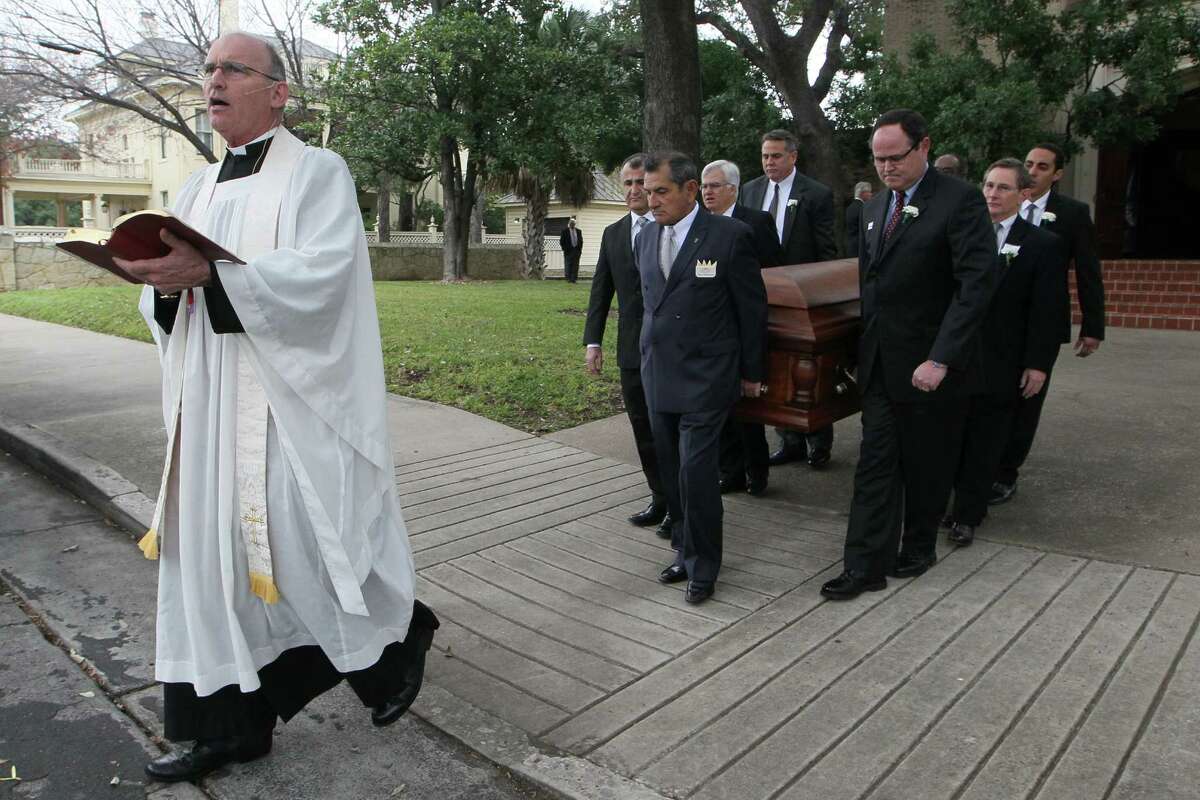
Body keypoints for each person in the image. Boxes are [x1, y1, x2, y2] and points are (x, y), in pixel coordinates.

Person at [115, 33, 438, 783]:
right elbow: (167, 299)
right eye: (209, 69)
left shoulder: (316, 173)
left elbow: (323, 277)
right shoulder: (195, 189)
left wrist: (217, 277)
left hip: (283, 402)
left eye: (233, 69)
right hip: (207, 402)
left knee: (300, 542)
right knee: (210, 564)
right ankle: (228, 730)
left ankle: (395, 648)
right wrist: (163, 284)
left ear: (278, 92)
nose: (213, 80)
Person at [820, 109, 995, 600]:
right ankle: (864, 566)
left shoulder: (959, 202)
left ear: (923, 147)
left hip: (934, 367)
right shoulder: (875, 209)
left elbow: (975, 285)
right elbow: (869, 287)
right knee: (875, 463)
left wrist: (941, 358)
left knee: (927, 464)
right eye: (878, 159)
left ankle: (918, 545)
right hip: (880, 364)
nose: (886, 167)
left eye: (895, 157)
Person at [636, 152, 767, 604]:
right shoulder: (645, 238)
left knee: (696, 474)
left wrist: (753, 373)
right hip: (660, 375)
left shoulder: (730, 237)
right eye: (648, 192)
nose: (651, 201)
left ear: (691, 190)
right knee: (672, 473)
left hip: (707, 378)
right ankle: (683, 553)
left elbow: (751, 312)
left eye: (661, 191)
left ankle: (705, 567)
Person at [944, 159, 1066, 546]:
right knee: (951, 435)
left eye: (1003, 188)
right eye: (988, 185)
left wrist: (1037, 365)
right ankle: (942, 505)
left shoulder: (1043, 244)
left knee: (986, 439)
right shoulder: (960, 234)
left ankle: (968, 515)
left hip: (1003, 358)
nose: (992, 194)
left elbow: (1047, 311)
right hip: (957, 355)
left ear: (1023, 194)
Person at [989, 142, 1106, 504]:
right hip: (999, 324)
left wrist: (1092, 325)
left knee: (1026, 400)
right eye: (1029, 164)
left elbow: (1088, 270)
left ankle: (1006, 473)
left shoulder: (1071, 213)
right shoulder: (995, 209)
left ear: (1057, 174)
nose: (1034, 171)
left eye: (1043, 167)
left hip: (1043, 321)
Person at [739, 129, 838, 470]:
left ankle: (819, 440)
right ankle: (787, 440)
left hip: (803, 294)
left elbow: (826, 249)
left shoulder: (817, 194)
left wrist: (820, 294)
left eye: (776, 156)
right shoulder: (749, 191)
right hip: (763, 293)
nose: (769, 162)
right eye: (765, 156)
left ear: (793, 157)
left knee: (808, 371)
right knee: (775, 365)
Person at [583, 153, 669, 533]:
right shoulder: (613, 234)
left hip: (671, 350)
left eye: (640, 183)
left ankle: (680, 506)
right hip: (632, 349)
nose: (634, 191)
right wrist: (593, 342)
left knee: (668, 427)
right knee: (641, 426)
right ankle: (659, 496)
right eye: (628, 184)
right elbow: (601, 292)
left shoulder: (671, 228)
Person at [699, 159, 779, 497]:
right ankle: (729, 470)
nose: (707, 192)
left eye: (714, 186)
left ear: (733, 188)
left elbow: (774, 273)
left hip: (742, 328)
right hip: (707, 332)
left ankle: (756, 472)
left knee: (747, 413)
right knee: (719, 412)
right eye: (704, 186)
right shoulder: (698, 224)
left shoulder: (755, 222)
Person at [845, 180, 873, 257]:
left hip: (851, 245)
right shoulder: (863, 208)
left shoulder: (850, 207)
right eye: (869, 192)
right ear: (863, 193)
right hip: (861, 247)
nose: (871, 194)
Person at [559, 218, 584, 283]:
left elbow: (581, 241)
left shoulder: (579, 231)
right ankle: (568, 278)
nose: (572, 225)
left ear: (575, 224)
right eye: (571, 223)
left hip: (576, 251)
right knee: (568, 265)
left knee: (575, 265)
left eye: (573, 224)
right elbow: (562, 242)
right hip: (568, 251)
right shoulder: (565, 231)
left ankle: (574, 279)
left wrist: (579, 250)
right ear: (569, 224)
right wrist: (565, 249)